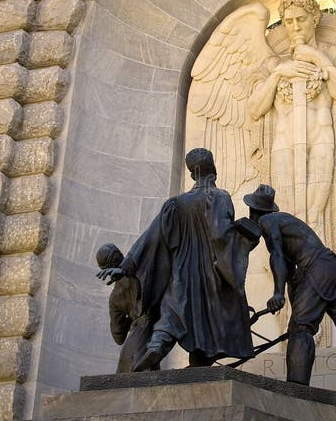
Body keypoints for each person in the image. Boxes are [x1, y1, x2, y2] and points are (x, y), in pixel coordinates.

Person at [98, 148, 257, 371]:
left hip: (183, 272)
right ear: (213, 169)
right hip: (213, 276)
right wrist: (246, 240)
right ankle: (197, 358)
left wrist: (125, 267)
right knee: (208, 324)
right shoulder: (221, 198)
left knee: (173, 313)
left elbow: (151, 237)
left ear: (192, 174)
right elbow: (222, 236)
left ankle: (157, 344)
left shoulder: (177, 204)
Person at [243, 184, 336, 395]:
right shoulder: (286, 222)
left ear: (254, 211)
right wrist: (289, 298)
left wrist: (277, 293)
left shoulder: (267, 221)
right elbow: (289, 272)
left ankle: (296, 389)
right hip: (332, 267)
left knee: (300, 329)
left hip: (315, 267)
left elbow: (277, 257)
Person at [247, 0, 336, 257]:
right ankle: (286, 274)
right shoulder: (274, 64)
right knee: (284, 210)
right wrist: (278, 74)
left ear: (315, 19)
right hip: (283, 143)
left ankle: (318, 267)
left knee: (317, 209)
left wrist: (318, 58)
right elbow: (255, 108)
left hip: (322, 137)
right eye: (288, 21)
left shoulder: (333, 53)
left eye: (301, 20)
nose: (294, 27)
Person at [95, 242, 157, 373]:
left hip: (140, 333)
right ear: (120, 254)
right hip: (160, 322)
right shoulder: (141, 266)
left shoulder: (115, 298)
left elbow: (118, 336)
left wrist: (130, 319)